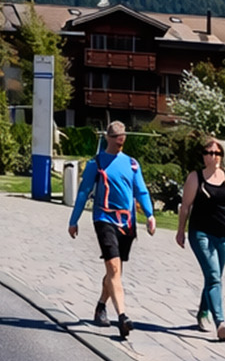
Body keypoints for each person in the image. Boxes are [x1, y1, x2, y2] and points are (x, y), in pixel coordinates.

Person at [66, 122, 157, 340]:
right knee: (114, 268)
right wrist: (74, 220)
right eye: (116, 136)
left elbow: (141, 191)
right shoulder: (95, 164)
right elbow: (83, 192)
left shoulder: (132, 165)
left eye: (123, 136)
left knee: (114, 271)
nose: (120, 140)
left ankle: (100, 306)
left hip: (126, 223)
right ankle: (123, 317)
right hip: (103, 218)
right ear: (108, 137)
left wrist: (150, 215)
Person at [176, 138, 225, 342]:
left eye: (217, 153)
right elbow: (186, 207)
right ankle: (220, 322)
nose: (213, 157)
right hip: (201, 234)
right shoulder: (195, 178)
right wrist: (180, 231)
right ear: (203, 156)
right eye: (209, 153)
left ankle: (202, 312)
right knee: (214, 276)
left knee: (213, 277)